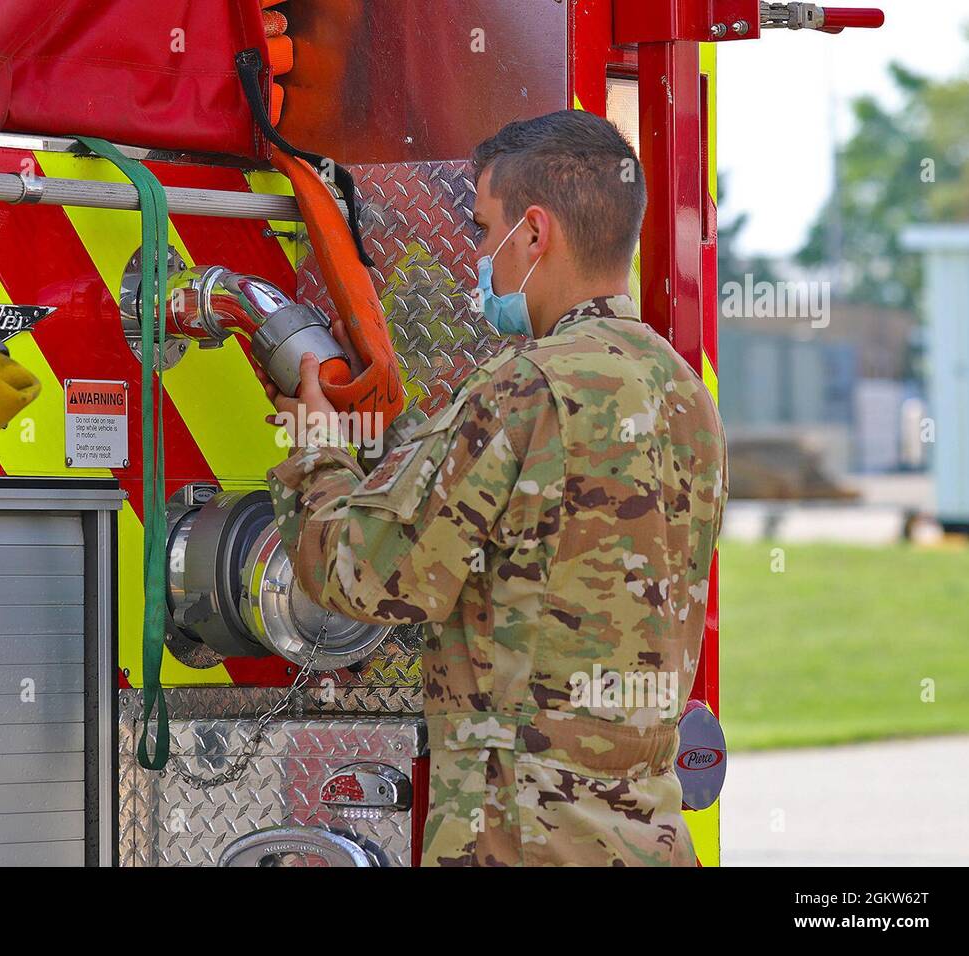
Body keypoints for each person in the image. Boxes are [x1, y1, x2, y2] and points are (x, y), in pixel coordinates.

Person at [259, 110, 728, 866]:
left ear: (534, 234)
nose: (480, 255)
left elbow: (365, 575)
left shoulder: (525, 390)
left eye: (484, 230)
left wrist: (316, 454)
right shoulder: (683, 393)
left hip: (525, 841)